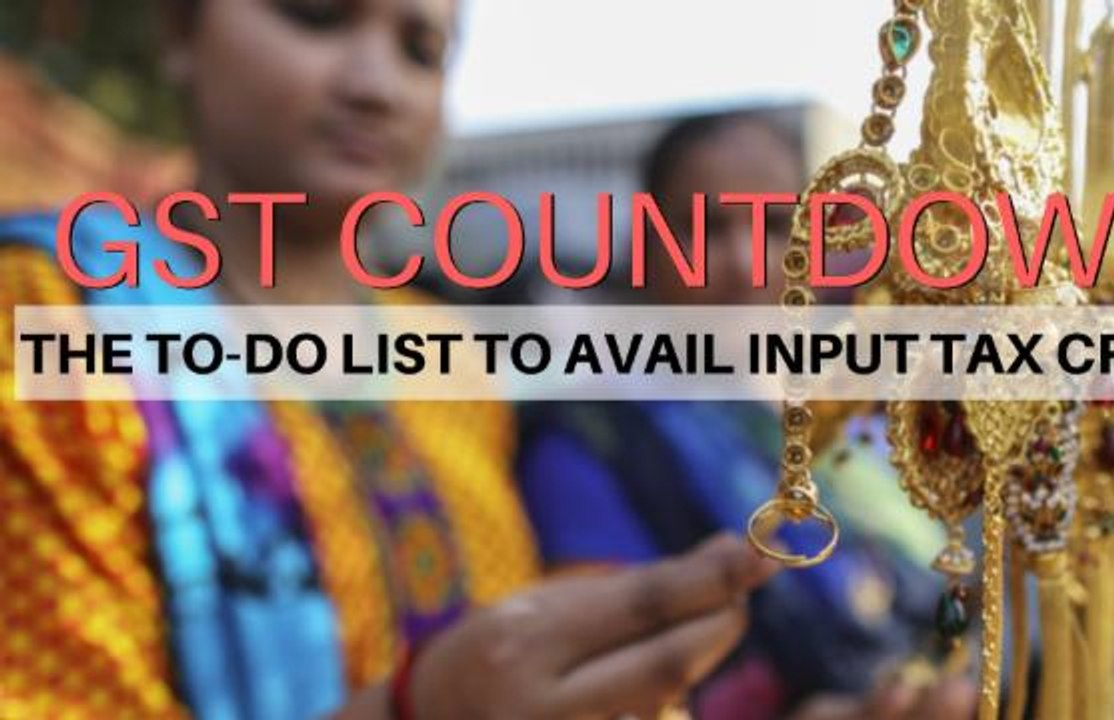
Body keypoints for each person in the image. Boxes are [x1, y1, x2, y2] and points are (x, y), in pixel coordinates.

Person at [0, 1, 974, 718]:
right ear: (181, 31)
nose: (375, 84)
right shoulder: (50, 316)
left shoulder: (450, 360)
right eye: (316, 14)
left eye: (421, 49)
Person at [518, 112, 957, 719]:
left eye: (774, 226)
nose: (745, 260)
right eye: (704, 228)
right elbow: (605, 685)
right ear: (646, 244)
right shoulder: (592, 439)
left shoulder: (856, 419)